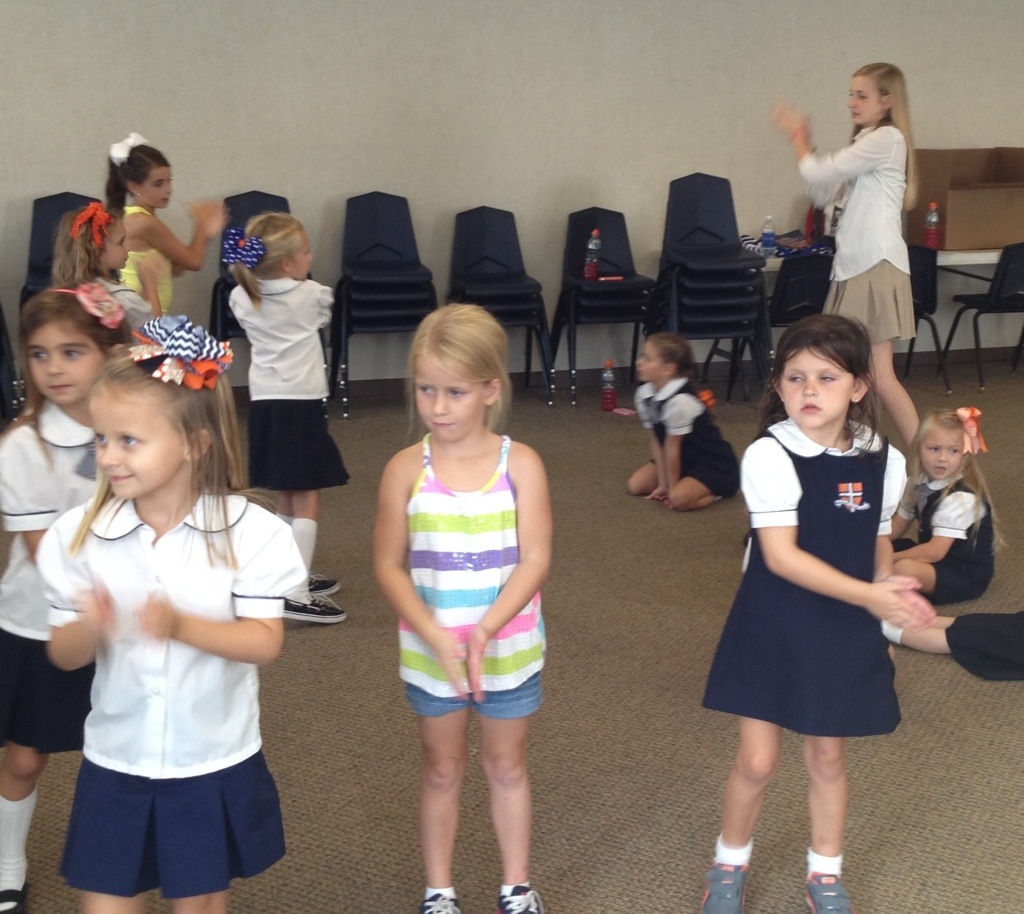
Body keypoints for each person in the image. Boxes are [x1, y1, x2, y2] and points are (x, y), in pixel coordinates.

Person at [37, 316, 306, 914]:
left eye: (129, 440)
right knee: (104, 902)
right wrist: (91, 626)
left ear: (194, 444)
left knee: (201, 902)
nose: (108, 457)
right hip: (117, 757)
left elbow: (265, 642)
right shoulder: (77, 538)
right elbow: (64, 654)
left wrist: (184, 626)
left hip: (208, 758)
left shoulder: (250, 534)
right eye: (100, 439)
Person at [701, 314, 935, 914]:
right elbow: (779, 558)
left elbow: (879, 535)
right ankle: (729, 864)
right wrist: (869, 596)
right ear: (777, 385)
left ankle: (824, 872)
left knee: (828, 755)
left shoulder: (881, 457)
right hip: (774, 622)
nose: (809, 390)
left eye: (827, 377)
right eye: (795, 377)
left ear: (859, 387)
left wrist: (887, 581)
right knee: (757, 760)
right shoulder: (769, 455)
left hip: (839, 626)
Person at [374, 304, 551, 914]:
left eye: (454, 392)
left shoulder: (520, 465)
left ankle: (517, 886)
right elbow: (387, 565)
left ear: (489, 390)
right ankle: (439, 891)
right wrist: (435, 632)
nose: (438, 406)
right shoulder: (406, 470)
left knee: (507, 766)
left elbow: (535, 561)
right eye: (426, 389)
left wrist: (486, 629)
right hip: (433, 656)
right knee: (442, 769)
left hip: (509, 650)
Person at [0, 288, 131, 914]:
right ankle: (6, 863)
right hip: (40, 625)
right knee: (26, 757)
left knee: (120, 758)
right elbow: (50, 555)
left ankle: (118, 866)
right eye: (39, 354)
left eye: (72, 352)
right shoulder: (22, 448)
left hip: (124, 625)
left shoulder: (134, 428)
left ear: (109, 353)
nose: (54, 368)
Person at [773, 63, 919, 450]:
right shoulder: (865, 142)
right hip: (852, 267)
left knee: (875, 373)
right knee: (850, 369)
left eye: (862, 95)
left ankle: (928, 460)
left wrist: (799, 135)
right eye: (851, 94)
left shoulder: (887, 139)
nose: (851, 102)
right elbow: (822, 190)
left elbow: (819, 170)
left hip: (874, 266)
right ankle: (848, 449)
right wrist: (814, 158)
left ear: (886, 101)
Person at [225, 213, 348, 624]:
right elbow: (323, 315)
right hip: (302, 404)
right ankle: (294, 592)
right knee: (308, 496)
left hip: (265, 405)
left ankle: (286, 571)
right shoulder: (314, 295)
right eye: (307, 251)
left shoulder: (241, 297)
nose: (311, 256)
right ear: (290, 264)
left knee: (284, 493)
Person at [105, 132, 226, 313]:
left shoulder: (142, 217)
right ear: (134, 186)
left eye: (169, 181)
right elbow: (194, 262)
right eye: (158, 184)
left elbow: (176, 268)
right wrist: (201, 224)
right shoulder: (143, 222)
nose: (168, 189)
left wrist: (205, 234)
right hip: (142, 317)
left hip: (151, 314)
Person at [890, 407, 997, 604]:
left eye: (953, 451)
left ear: (963, 457)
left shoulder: (961, 498)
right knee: (885, 544)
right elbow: (900, 521)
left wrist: (886, 559)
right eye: (934, 449)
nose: (942, 458)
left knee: (902, 568)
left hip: (963, 574)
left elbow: (934, 552)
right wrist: (874, 543)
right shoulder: (917, 482)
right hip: (936, 560)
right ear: (919, 448)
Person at [626, 332, 739, 511]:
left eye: (648, 359)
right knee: (635, 485)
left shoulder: (680, 402)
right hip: (684, 458)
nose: (639, 362)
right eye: (642, 356)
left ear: (668, 369)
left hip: (711, 462)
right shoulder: (643, 394)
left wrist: (671, 490)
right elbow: (656, 440)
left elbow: (672, 448)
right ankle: (683, 482)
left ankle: (718, 492)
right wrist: (663, 484)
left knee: (678, 500)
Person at [52, 202, 162, 328]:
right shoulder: (121, 299)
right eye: (121, 242)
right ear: (96, 250)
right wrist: (150, 283)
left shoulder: (64, 296)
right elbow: (156, 332)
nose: (128, 248)